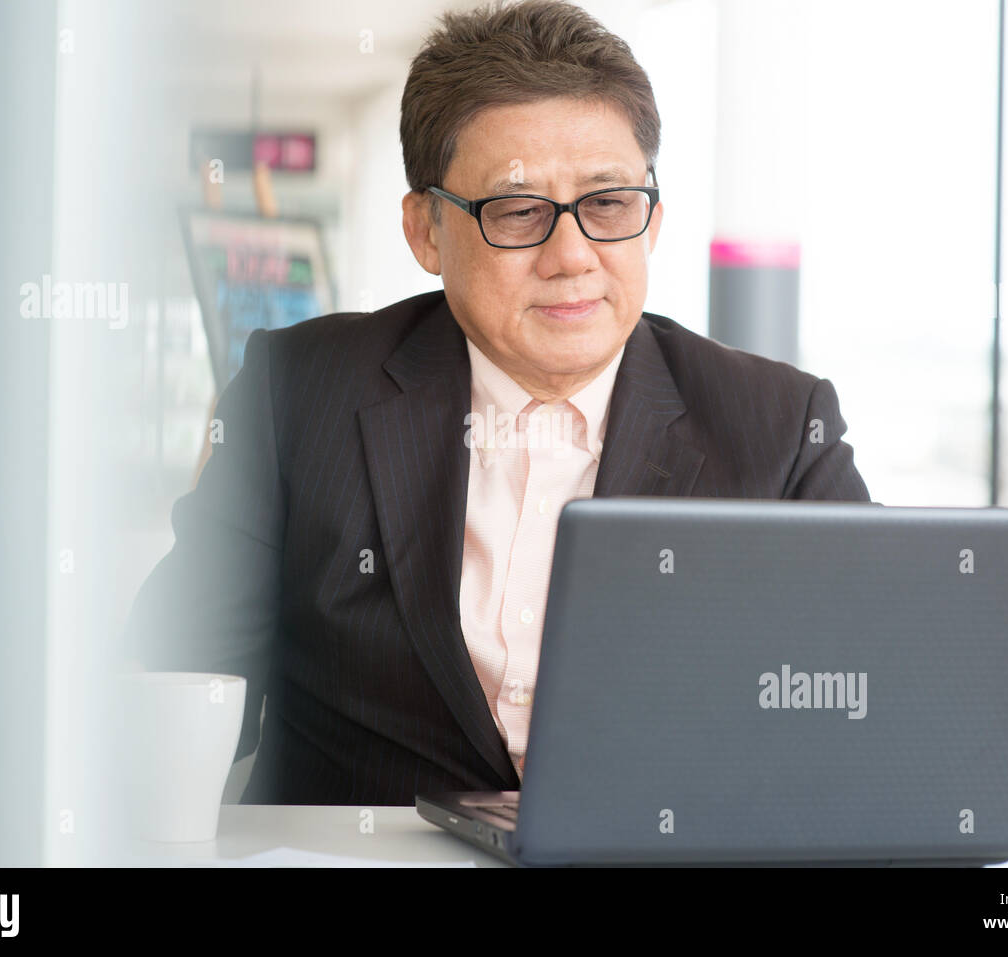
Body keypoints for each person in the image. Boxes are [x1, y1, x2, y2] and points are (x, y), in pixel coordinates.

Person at [123, 0, 871, 806]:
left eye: (609, 203)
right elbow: (174, 689)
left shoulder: (781, 430)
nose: (573, 256)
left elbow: (868, 720)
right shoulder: (300, 394)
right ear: (426, 233)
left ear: (652, 220)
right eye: (518, 212)